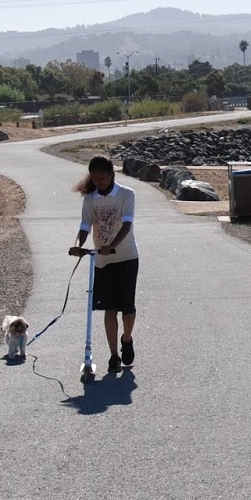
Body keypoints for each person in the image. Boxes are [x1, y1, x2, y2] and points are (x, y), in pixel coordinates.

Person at [69, 156, 138, 382]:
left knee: (127, 308)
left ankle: (127, 338)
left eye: (102, 178)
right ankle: (114, 355)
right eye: (95, 178)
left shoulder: (126, 194)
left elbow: (127, 224)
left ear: (111, 175)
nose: (99, 182)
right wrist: (78, 245)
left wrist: (112, 245)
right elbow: (85, 226)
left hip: (126, 257)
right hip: (102, 260)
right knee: (110, 308)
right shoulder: (91, 199)